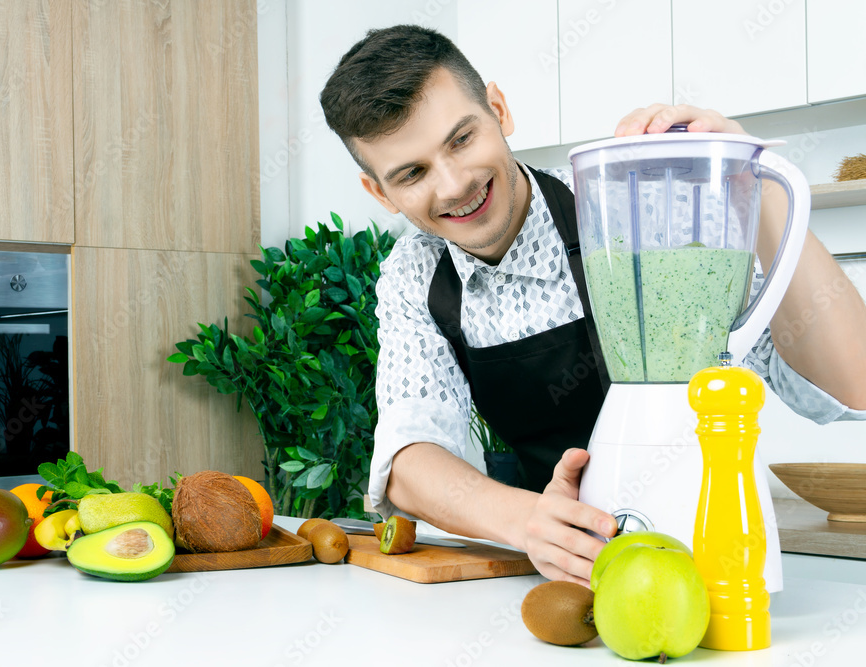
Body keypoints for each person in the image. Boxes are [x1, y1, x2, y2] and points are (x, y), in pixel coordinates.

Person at [319, 24, 866, 585]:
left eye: (461, 139)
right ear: (380, 194)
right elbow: (408, 459)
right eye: (412, 173)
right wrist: (529, 521)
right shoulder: (416, 274)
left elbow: (854, 385)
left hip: (714, 555)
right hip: (564, 576)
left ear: (499, 110)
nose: (455, 185)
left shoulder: (633, 205)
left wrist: (755, 181)